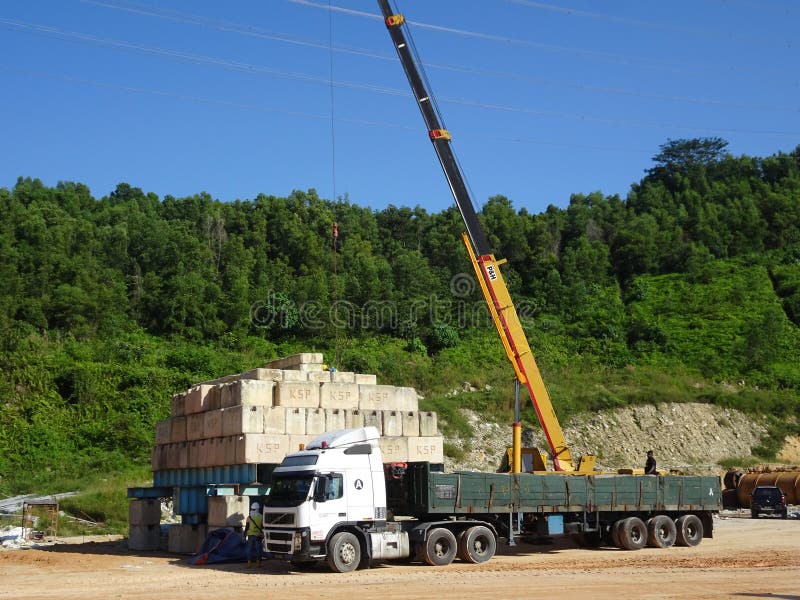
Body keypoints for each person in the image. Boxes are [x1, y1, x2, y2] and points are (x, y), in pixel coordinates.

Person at [243, 501, 264, 567]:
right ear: (258, 509)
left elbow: (246, 527)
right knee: (258, 550)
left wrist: (244, 535)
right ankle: (258, 564)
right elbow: (263, 526)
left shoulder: (249, 517)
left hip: (250, 535)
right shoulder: (261, 517)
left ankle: (249, 563)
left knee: (249, 549)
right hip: (258, 535)